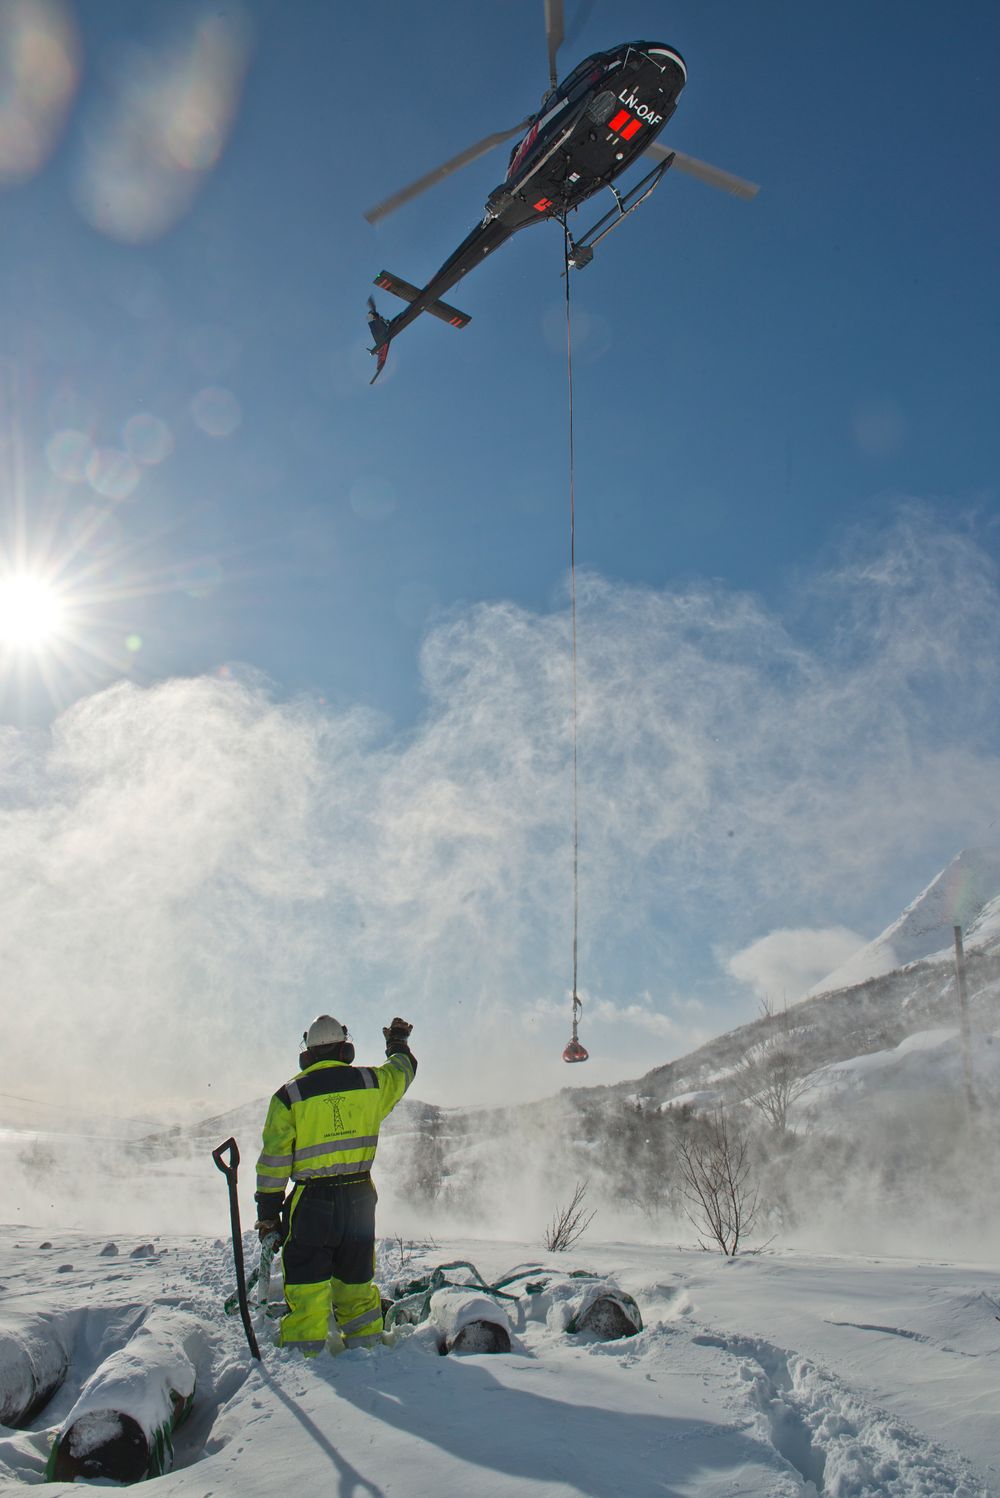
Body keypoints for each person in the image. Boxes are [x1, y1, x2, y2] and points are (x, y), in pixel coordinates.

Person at [254, 1014, 416, 1356]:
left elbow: (274, 1162)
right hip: (359, 1200)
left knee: (307, 1287)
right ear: (346, 1050)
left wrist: (268, 1214)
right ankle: (368, 1351)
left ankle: (303, 1358)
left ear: (307, 1054)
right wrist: (397, 1042)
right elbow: (403, 1070)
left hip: (311, 1205)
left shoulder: (289, 1096)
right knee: (356, 1284)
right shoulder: (371, 1083)